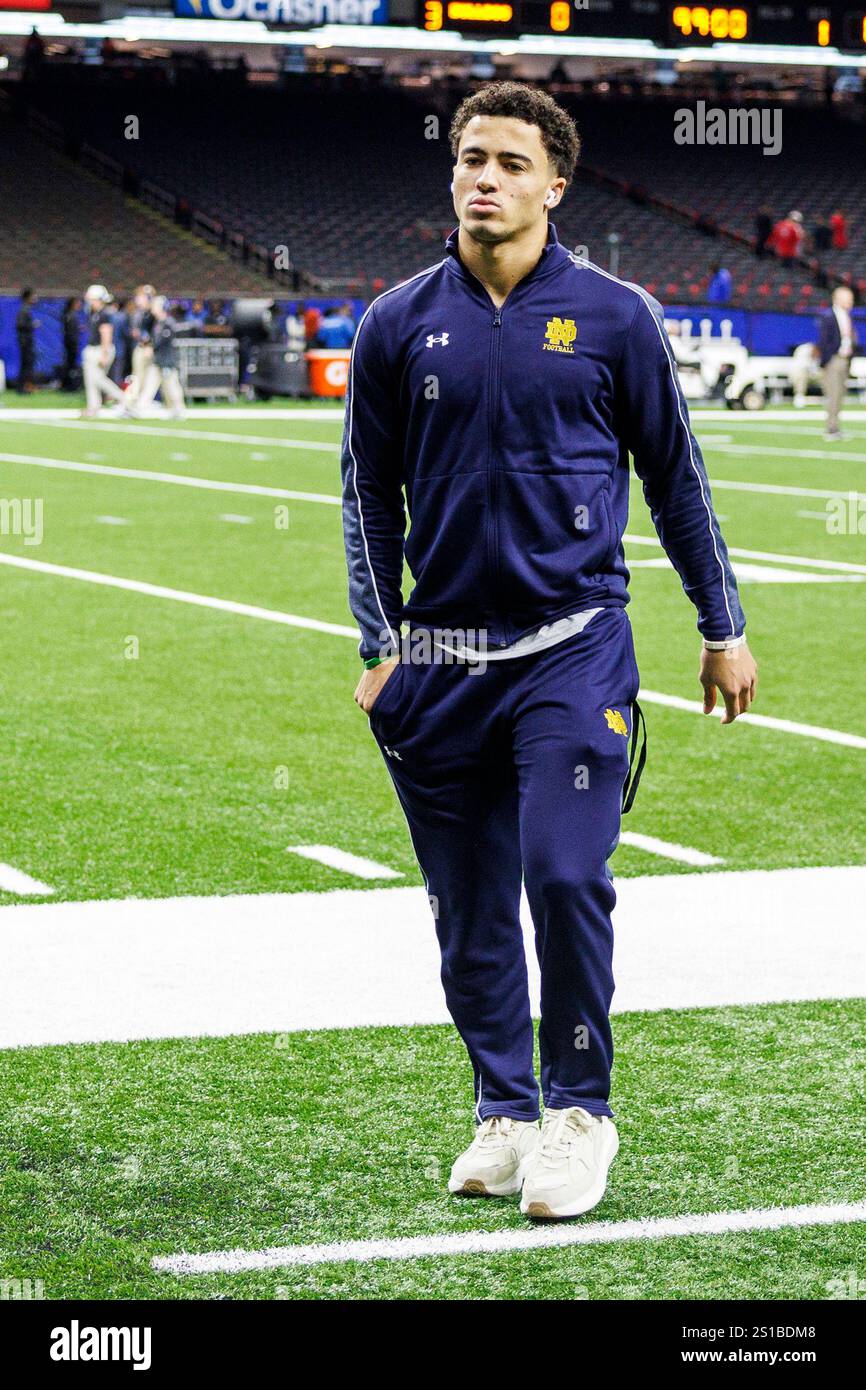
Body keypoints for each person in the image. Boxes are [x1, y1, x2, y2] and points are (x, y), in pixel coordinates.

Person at [340, 82, 757, 1223]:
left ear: (552, 184)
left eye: (509, 163)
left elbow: (675, 479)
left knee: (564, 874)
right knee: (465, 903)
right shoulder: (392, 321)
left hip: (572, 650)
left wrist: (719, 625)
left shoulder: (616, 316)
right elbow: (365, 493)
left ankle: (579, 1112)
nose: (482, 176)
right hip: (437, 662)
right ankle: (504, 1110)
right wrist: (379, 648)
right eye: (470, 158)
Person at [817, 285, 858, 440]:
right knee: (833, 395)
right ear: (838, 298)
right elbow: (824, 341)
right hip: (834, 360)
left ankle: (835, 427)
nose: (851, 302)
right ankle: (831, 429)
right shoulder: (829, 316)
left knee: (840, 394)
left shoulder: (847, 316)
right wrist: (827, 360)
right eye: (848, 298)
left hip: (845, 360)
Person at [81, 284, 128, 418]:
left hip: (100, 350)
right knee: (90, 380)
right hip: (93, 349)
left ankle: (122, 398)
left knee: (98, 379)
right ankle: (93, 407)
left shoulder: (104, 314)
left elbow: (106, 333)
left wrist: (104, 353)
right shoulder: (94, 313)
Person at [135, 296, 186, 418]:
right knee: (150, 384)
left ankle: (179, 409)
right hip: (158, 360)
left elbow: (163, 343)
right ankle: (139, 408)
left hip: (166, 361)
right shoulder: (157, 323)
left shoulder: (168, 323)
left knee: (172, 386)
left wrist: (151, 348)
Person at [15, 288, 37, 394]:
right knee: (26, 365)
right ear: (27, 297)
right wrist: (32, 325)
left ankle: (24, 387)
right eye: (33, 296)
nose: (35, 298)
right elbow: (20, 325)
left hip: (25, 342)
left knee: (27, 365)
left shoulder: (26, 309)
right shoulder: (24, 310)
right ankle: (22, 388)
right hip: (25, 342)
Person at [61, 296, 82, 391]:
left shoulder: (69, 315)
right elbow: (70, 332)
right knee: (70, 366)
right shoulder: (70, 315)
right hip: (71, 345)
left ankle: (68, 384)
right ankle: (69, 385)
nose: (79, 305)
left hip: (70, 344)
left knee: (70, 365)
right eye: (77, 303)